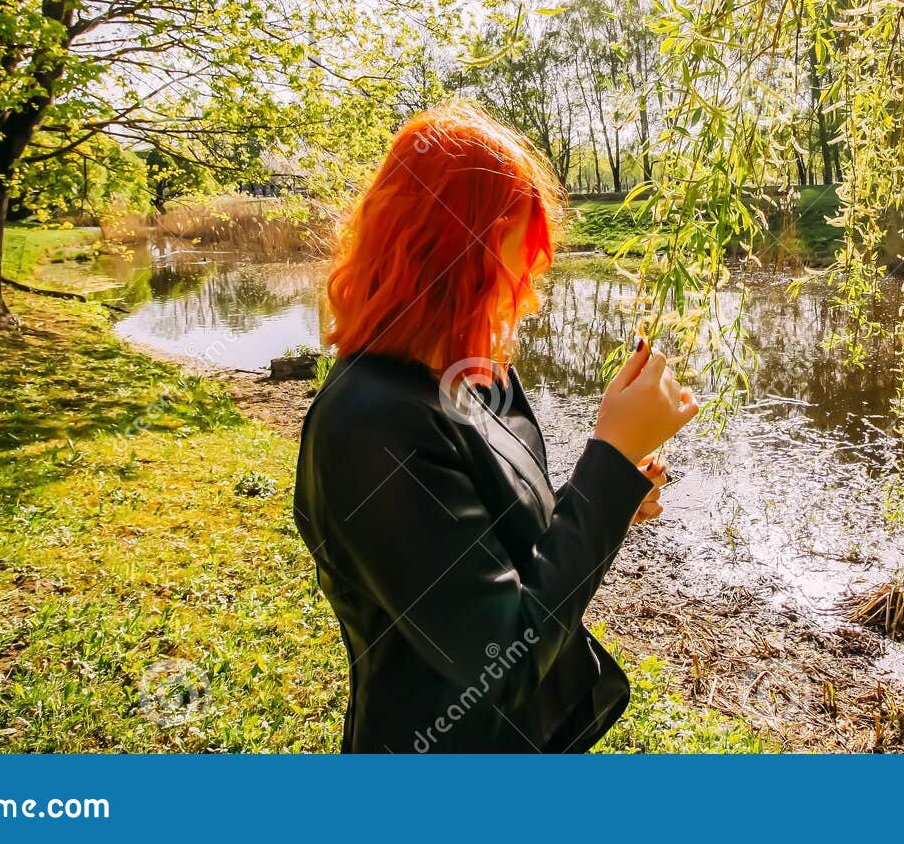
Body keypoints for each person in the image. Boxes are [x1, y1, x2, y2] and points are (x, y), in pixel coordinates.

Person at [294, 99, 699, 753]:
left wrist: (610, 491)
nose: (528, 297)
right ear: (439, 260)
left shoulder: (479, 375)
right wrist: (611, 450)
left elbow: (506, 552)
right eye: (507, 272)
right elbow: (501, 655)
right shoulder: (366, 428)